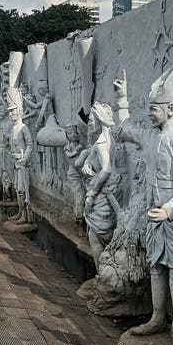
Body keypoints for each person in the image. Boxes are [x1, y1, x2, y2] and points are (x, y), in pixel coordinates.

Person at [113, 64, 173, 345]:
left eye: (154, 108)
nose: (149, 112)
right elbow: (123, 129)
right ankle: (157, 317)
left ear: (171, 108)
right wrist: (122, 99)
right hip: (153, 214)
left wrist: (170, 210)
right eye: (149, 107)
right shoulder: (149, 136)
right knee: (156, 265)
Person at [75, 102, 119, 270]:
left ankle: (102, 274)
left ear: (101, 120)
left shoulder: (100, 144)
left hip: (100, 196)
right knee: (102, 235)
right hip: (107, 194)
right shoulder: (107, 139)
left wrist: (92, 193)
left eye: (92, 120)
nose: (89, 123)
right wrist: (87, 157)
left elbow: (106, 169)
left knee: (96, 235)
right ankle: (106, 272)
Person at [7, 104, 33, 223]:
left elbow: (30, 144)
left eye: (13, 113)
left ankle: (25, 215)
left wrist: (25, 158)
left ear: (19, 114)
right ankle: (20, 212)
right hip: (15, 161)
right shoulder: (13, 128)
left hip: (23, 163)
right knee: (17, 188)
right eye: (10, 113)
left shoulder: (23, 128)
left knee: (23, 189)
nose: (10, 115)